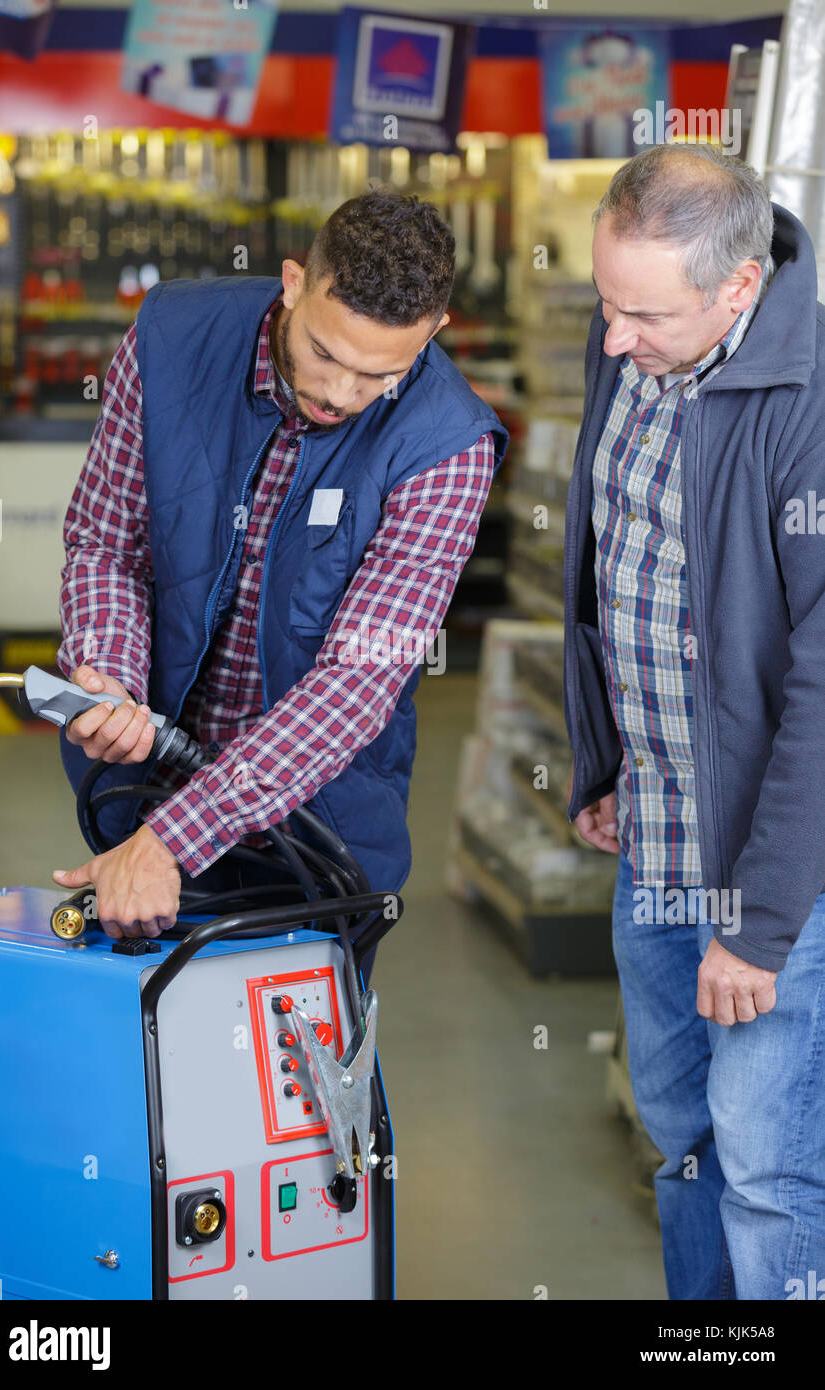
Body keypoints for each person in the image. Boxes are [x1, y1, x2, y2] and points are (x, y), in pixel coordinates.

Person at [53, 191, 508, 941]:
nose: (340, 393)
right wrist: (109, 674)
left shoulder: (450, 444)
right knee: (150, 1043)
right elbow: (109, 542)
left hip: (316, 837)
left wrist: (178, 837)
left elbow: (357, 683)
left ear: (435, 331)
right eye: (325, 353)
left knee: (305, 1057)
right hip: (141, 800)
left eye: (379, 376)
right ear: (294, 283)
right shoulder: (171, 338)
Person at [563, 141, 825, 1300]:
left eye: (642, 315)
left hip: (773, 876)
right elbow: (616, 567)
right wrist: (604, 760)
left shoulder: (808, 401)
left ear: (738, 286)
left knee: (769, 1168)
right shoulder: (627, 340)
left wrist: (760, 925)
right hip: (654, 841)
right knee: (678, 1141)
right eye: (603, 304)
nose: (613, 339)